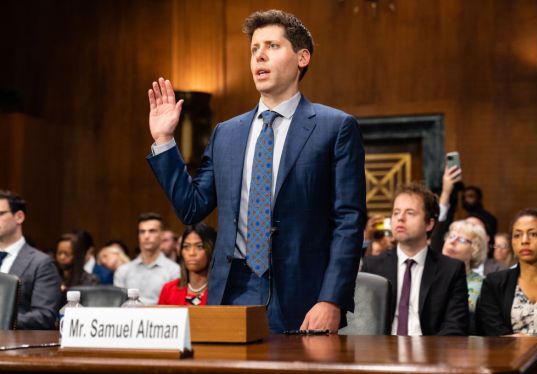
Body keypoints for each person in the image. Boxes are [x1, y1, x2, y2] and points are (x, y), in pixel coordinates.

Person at [146, 9, 366, 332]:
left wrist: (331, 299)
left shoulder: (335, 128)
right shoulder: (226, 133)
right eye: (254, 49)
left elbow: (348, 221)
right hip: (231, 292)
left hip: (303, 297)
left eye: (272, 46)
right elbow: (192, 206)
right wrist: (164, 140)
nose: (259, 55)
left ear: (302, 57)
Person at [362, 182, 469, 336]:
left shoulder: (451, 270)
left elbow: (455, 328)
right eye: (396, 212)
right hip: (383, 353)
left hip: (431, 354)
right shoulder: (372, 266)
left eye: (410, 213)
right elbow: (364, 324)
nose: (400, 218)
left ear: (429, 223)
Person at [476, 209, 537, 365]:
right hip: (510, 364)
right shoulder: (494, 283)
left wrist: (526, 341)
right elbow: (497, 341)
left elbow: (511, 341)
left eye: (533, 234)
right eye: (517, 235)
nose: (524, 240)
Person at [0, 190, 61, 329]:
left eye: (0, 214)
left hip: (15, 344)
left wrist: (4, 320)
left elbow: (44, 316)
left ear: (19, 217)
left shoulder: (41, 263)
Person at [113, 213, 180, 305]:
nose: (146, 236)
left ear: (162, 235)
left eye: (152, 231)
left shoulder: (174, 271)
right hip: (129, 318)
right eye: (142, 231)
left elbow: (173, 307)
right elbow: (119, 304)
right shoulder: (123, 270)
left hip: (161, 318)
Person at [159, 223, 217, 306]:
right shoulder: (169, 289)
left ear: (211, 249)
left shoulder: (221, 291)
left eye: (199, 246)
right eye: (186, 246)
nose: (192, 253)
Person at [442, 220, 487, 314]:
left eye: (462, 240)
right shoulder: (428, 274)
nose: (452, 241)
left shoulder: (483, 285)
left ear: (475, 249)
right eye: (451, 236)